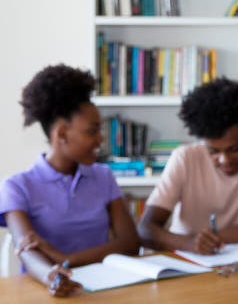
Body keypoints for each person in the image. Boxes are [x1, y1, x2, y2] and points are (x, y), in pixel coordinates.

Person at [0, 64, 139, 297]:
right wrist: (51, 275)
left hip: (104, 290)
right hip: (45, 291)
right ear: (61, 134)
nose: (100, 139)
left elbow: (130, 242)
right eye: (92, 131)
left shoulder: (103, 176)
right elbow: (26, 250)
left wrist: (67, 259)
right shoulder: (17, 186)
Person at [137, 78, 238, 254]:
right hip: (187, 263)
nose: (225, 160)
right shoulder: (185, 158)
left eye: (234, 149)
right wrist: (190, 244)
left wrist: (209, 238)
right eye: (213, 151)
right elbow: (145, 229)